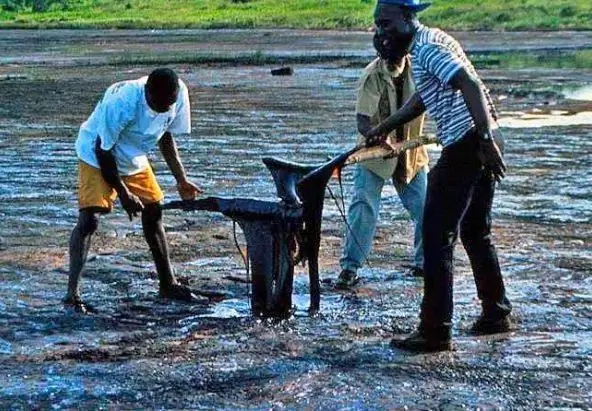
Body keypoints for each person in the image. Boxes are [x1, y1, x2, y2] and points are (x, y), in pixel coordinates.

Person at [369, 0, 512, 351]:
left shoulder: (428, 48)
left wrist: (481, 139)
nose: (381, 33)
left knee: (435, 234)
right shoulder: (433, 42)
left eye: (386, 24)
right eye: (378, 26)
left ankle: (435, 330)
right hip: (485, 136)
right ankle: (496, 312)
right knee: (476, 230)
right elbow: (424, 98)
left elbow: (468, 84)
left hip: (468, 142)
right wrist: (385, 128)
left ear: (407, 19)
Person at [64, 68, 203, 313]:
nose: (165, 108)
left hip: (133, 155)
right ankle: (72, 294)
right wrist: (125, 194)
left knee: (155, 211)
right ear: (147, 92)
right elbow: (102, 149)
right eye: (159, 103)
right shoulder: (123, 101)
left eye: (169, 104)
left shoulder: (178, 94)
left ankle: (167, 283)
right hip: (96, 153)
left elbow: (166, 137)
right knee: (90, 219)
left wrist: (181, 179)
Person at [336, 34, 429, 289]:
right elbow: (363, 122)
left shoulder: (420, 69)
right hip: (375, 154)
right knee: (364, 208)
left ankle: (425, 263)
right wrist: (378, 138)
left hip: (411, 151)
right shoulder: (372, 75)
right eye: (384, 54)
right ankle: (350, 268)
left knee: (426, 209)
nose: (389, 58)